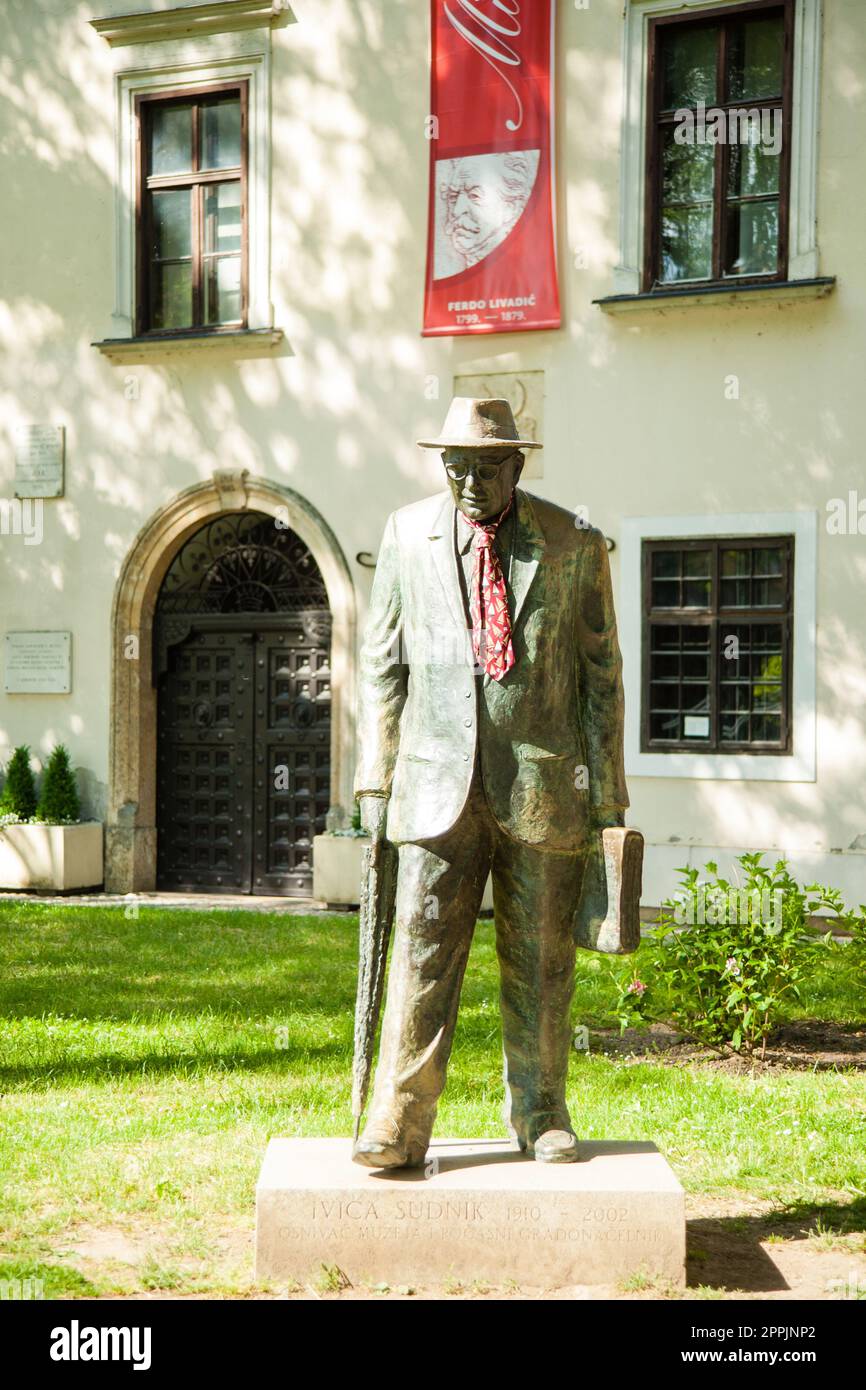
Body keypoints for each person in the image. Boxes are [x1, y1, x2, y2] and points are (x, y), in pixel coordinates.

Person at [353, 397, 628, 1168]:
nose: (469, 481)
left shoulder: (573, 542)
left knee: (540, 961)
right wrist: (375, 776)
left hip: (543, 788)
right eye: (456, 465)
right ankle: (399, 1120)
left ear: (518, 465)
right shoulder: (408, 534)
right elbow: (383, 665)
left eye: (485, 466)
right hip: (434, 784)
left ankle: (541, 1112)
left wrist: (609, 798)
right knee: (421, 947)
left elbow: (602, 678)